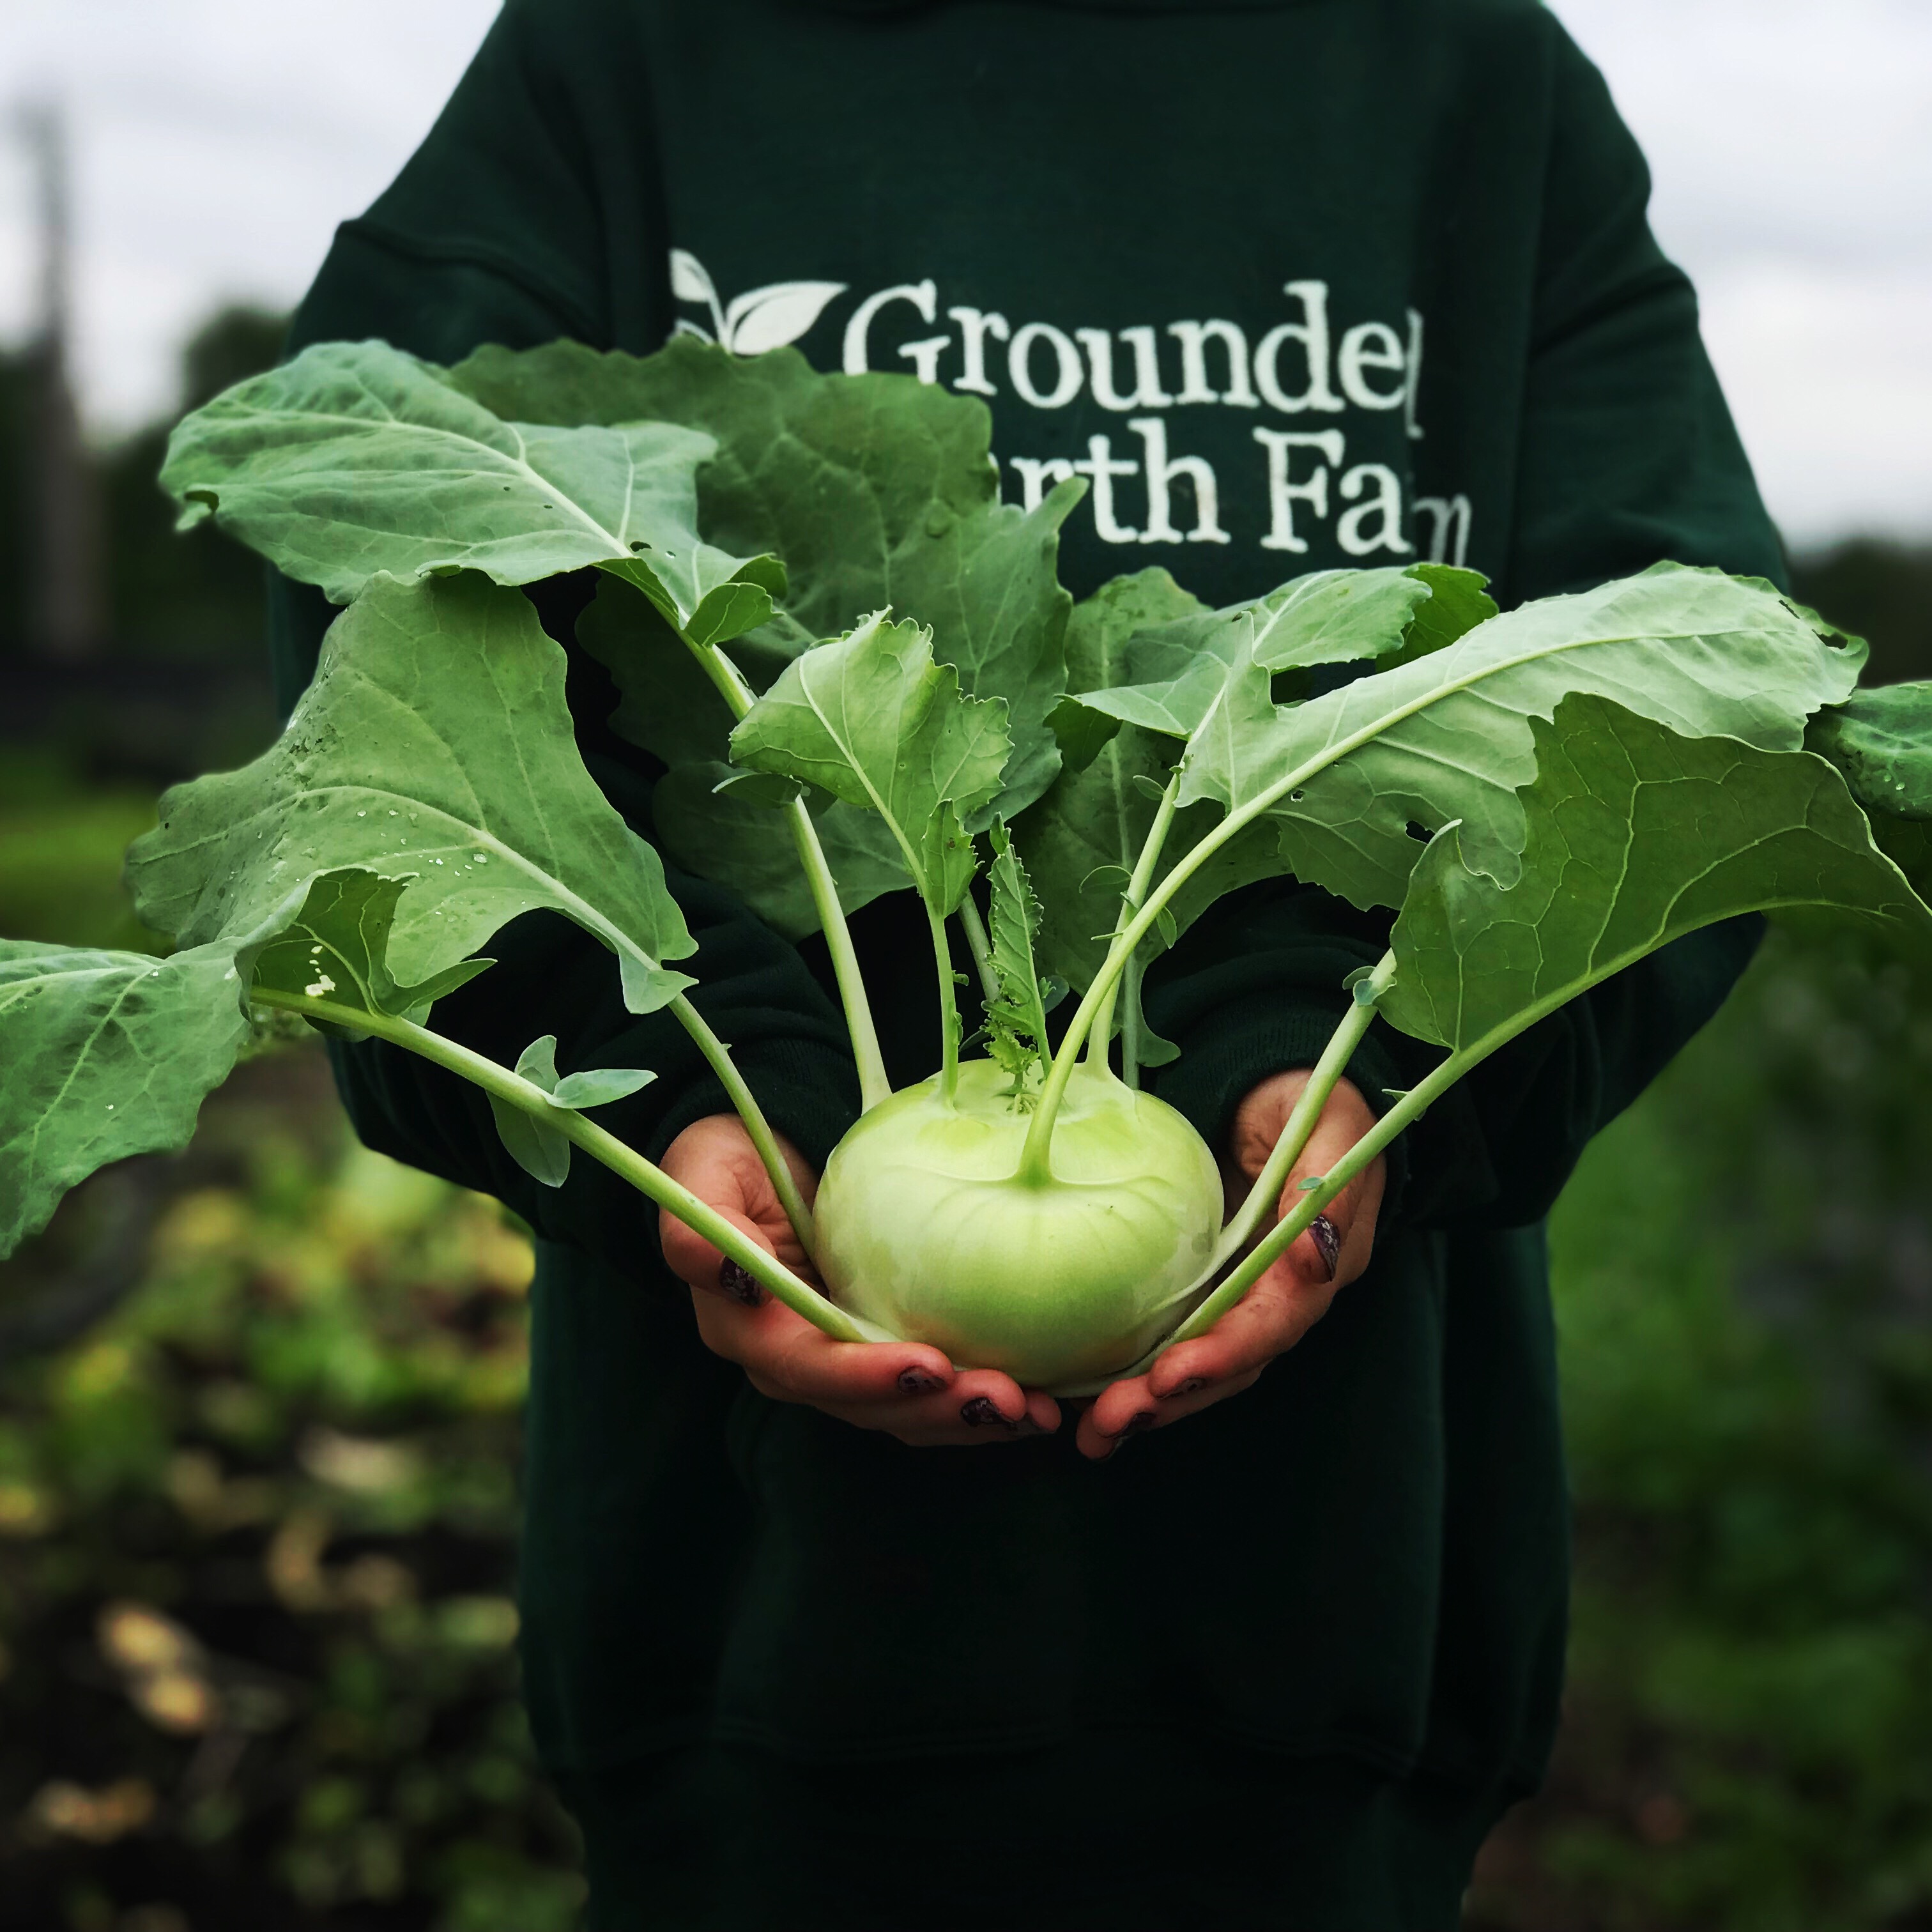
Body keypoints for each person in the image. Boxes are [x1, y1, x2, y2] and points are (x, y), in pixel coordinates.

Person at [270, 2, 1784, 1924]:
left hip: (1330, 1659)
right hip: (756, 1656)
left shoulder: (1468, 80)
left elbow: (1702, 692)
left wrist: (1354, 1074)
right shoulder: (631, 57)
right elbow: (366, 544)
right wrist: (689, 1092)